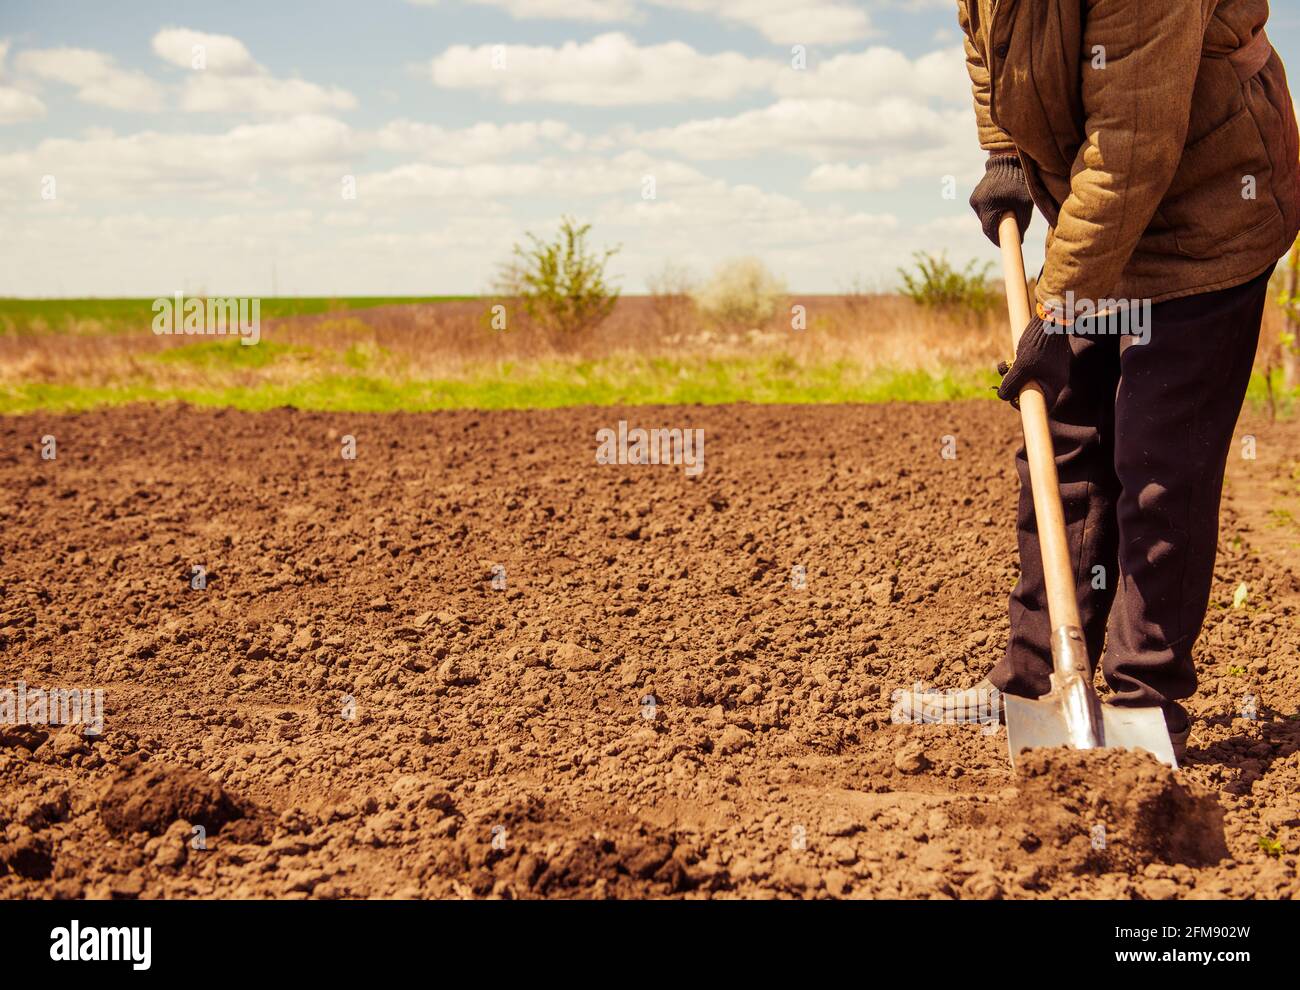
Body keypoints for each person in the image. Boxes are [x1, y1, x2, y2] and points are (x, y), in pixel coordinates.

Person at [899, 1, 1300, 760]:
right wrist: (1002, 153)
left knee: (1159, 461)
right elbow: (985, 44)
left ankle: (1141, 698)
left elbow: (1131, 145)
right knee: (1062, 433)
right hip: (1104, 211)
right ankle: (1035, 674)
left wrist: (1055, 312)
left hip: (1211, 210)